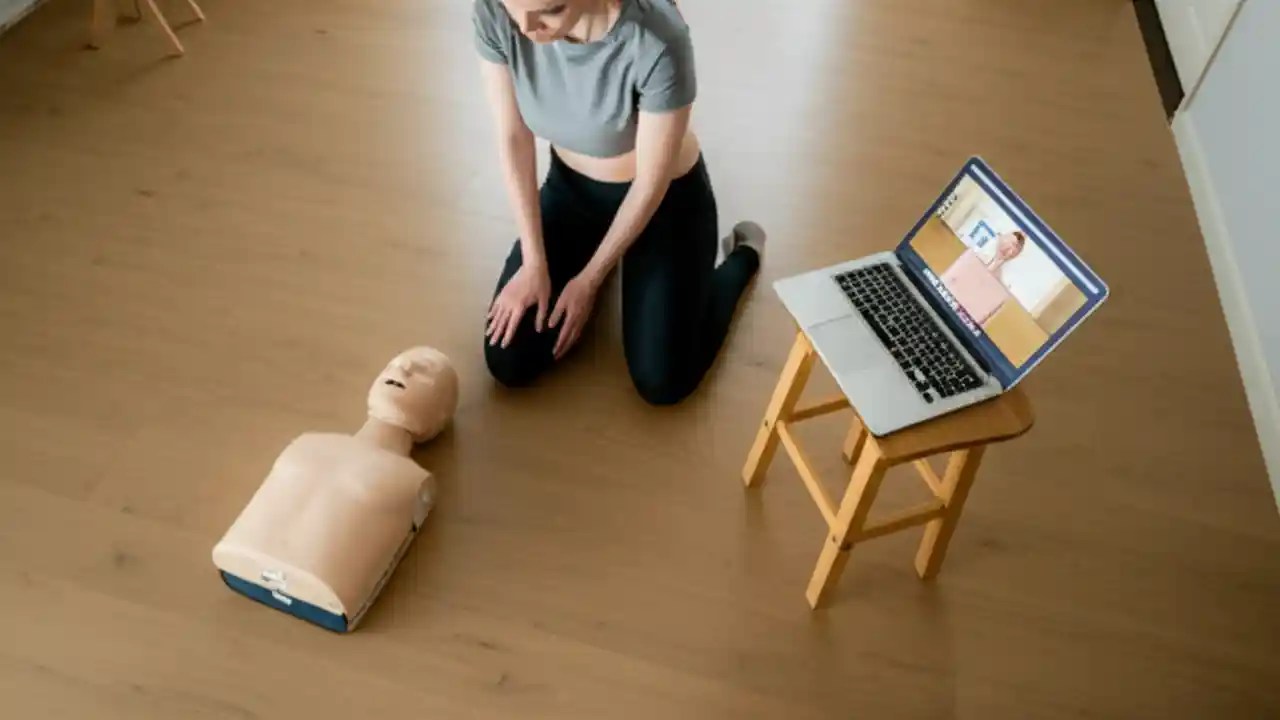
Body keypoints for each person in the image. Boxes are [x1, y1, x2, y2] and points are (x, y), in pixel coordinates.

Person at [472, 0, 765, 405]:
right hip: (572, 192)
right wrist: (534, 262)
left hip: (663, 203)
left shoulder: (658, 37)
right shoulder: (496, 9)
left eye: (551, 10)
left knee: (662, 382)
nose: (525, 28)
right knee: (509, 361)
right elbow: (513, 137)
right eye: (514, 8)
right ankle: (595, 260)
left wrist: (589, 281)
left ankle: (744, 256)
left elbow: (651, 182)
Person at [939, 230, 1026, 325]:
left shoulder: (1000, 290)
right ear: (1001, 239)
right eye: (1009, 244)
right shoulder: (972, 257)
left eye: (1015, 248)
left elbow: (982, 321)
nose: (1009, 251)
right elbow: (944, 281)